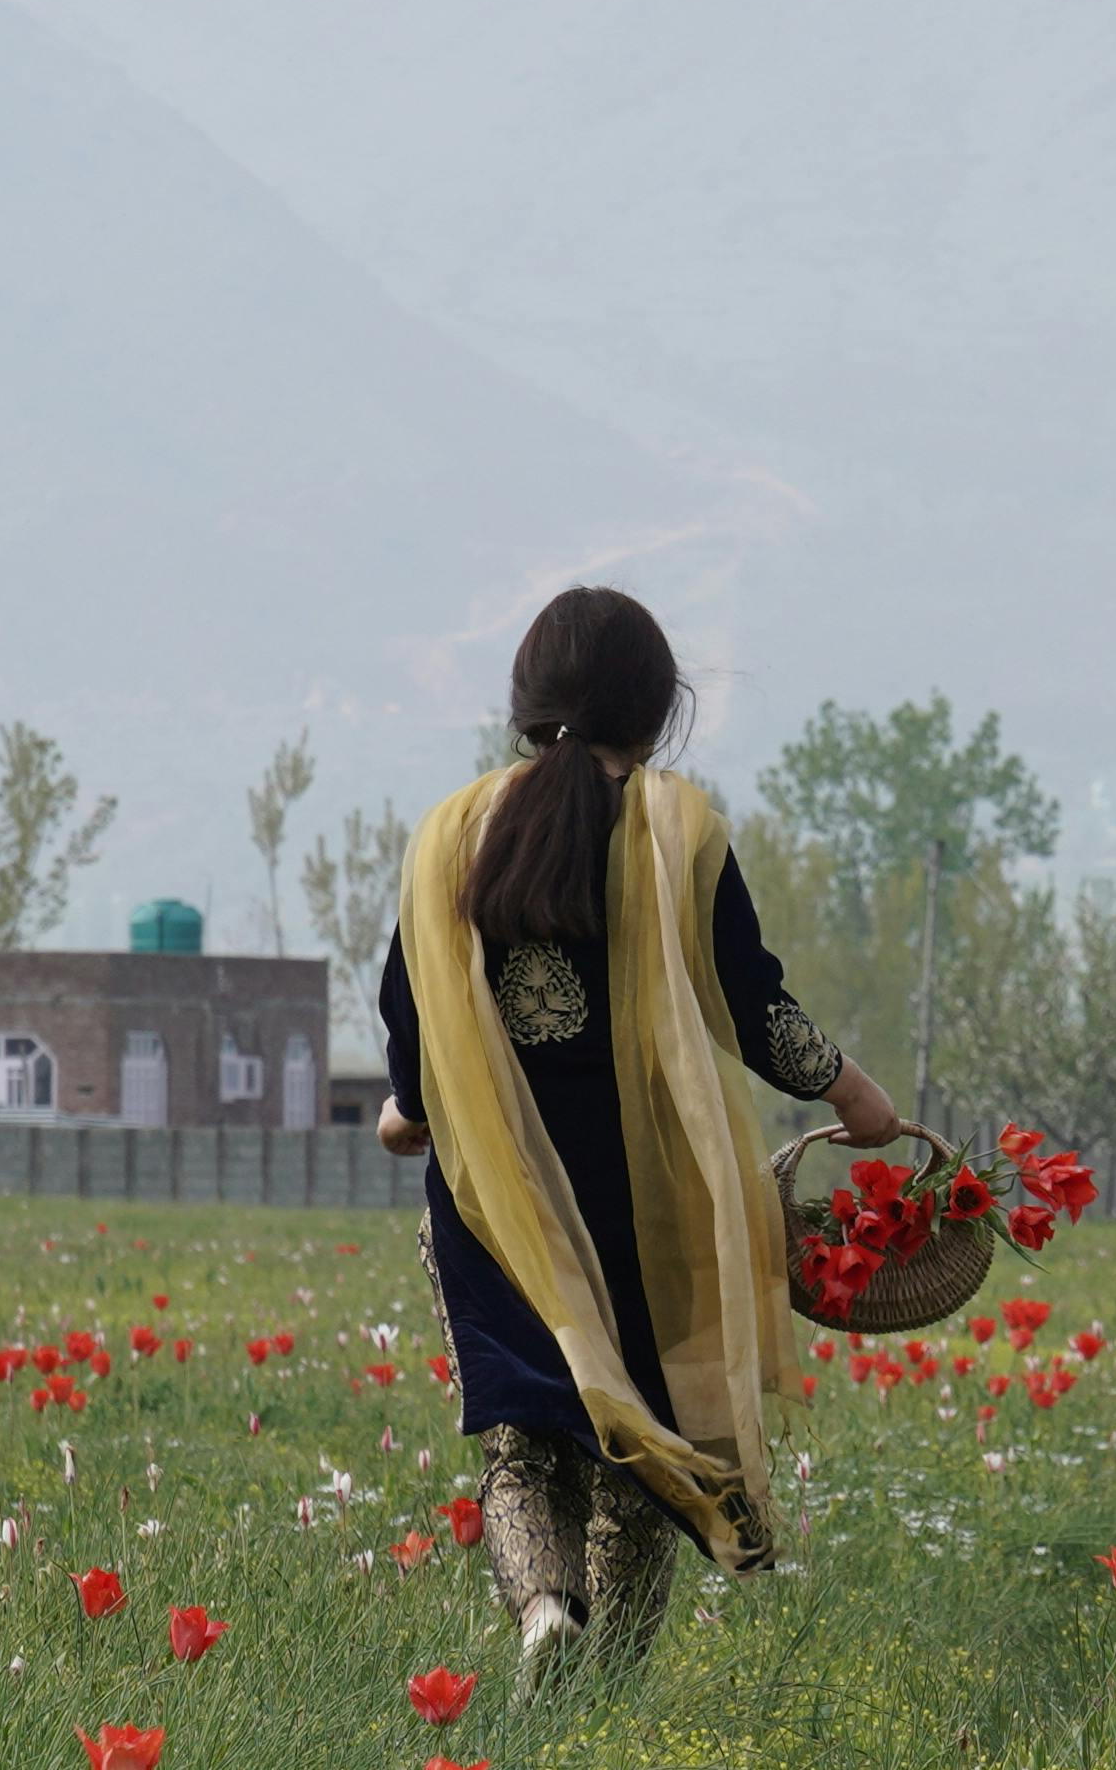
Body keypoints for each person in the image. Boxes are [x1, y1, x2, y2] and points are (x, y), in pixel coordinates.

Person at [375, 586, 901, 1673]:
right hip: (643, 1209)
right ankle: (602, 1695)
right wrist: (852, 1094)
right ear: (657, 712)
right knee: (635, 1458)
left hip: (497, 1207)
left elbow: (414, 1010)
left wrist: (409, 1109)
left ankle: (543, 1614)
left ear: (525, 704)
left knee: (521, 1443)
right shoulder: (677, 832)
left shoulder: (450, 837)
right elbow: (753, 1002)